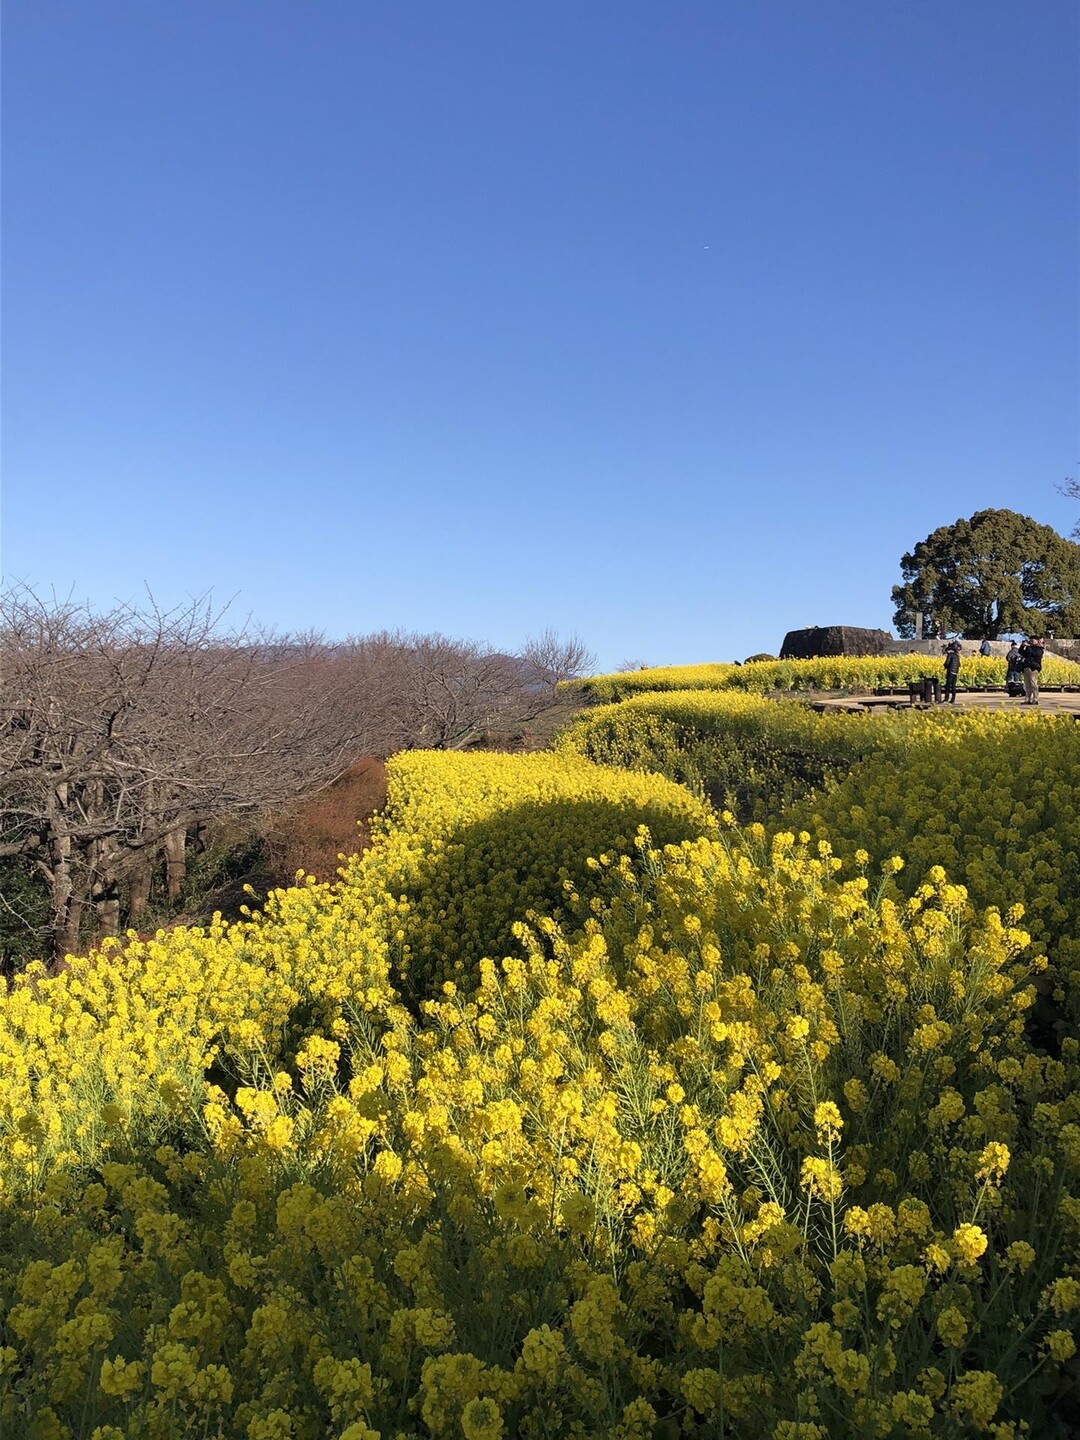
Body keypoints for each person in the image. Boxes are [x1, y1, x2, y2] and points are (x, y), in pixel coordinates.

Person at [1019, 636, 1044, 705]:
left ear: (1037, 641)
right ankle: (1027, 699)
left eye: (1032, 640)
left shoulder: (1039, 648)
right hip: (1026, 667)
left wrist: (1029, 646)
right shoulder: (1029, 648)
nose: (1031, 642)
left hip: (1033, 668)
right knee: (1027, 685)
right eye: (1030, 640)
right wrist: (1022, 646)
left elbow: (1036, 655)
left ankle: (1035, 699)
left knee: (1033, 684)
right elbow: (1021, 652)